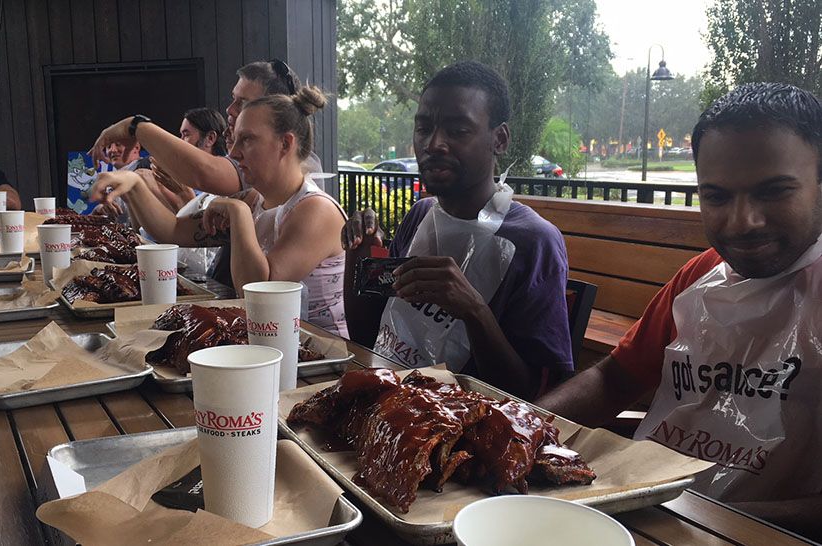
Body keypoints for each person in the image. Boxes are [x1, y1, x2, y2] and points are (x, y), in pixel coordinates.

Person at [537, 82, 822, 540]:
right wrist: (525, 426)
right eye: (717, 196)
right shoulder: (701, 273)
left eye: (773, 192)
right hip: (642, 514)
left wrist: (694, 518)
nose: (742, 221)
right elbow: (614, 378)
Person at [341, 61, 572, 400]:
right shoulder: (420, 215)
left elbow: (532, 398)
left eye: (457, 130)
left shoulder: (535, 242)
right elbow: (369, 338)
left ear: (500, 139)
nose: (434, 144)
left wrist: (474, 311)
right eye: (423, 129)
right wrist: (359, 261)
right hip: (390, 407)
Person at [89, 86, 348, 337]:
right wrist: (134, 185)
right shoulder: (255, 199)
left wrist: (238, 213)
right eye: (235, 140)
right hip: (271, 347)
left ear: (285, 144)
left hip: (322, 359)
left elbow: (257, 294)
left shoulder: (315, 209)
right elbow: (173, 231)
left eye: (247, 139)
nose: (234, 152)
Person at [88, 59, 318, 199]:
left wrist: (135, 126)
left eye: (244, 103)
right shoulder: (257, 192)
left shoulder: (300, 170)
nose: (230, 109)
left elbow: (202, 172)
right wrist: (134, 186)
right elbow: (176, 230)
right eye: (233, 99)